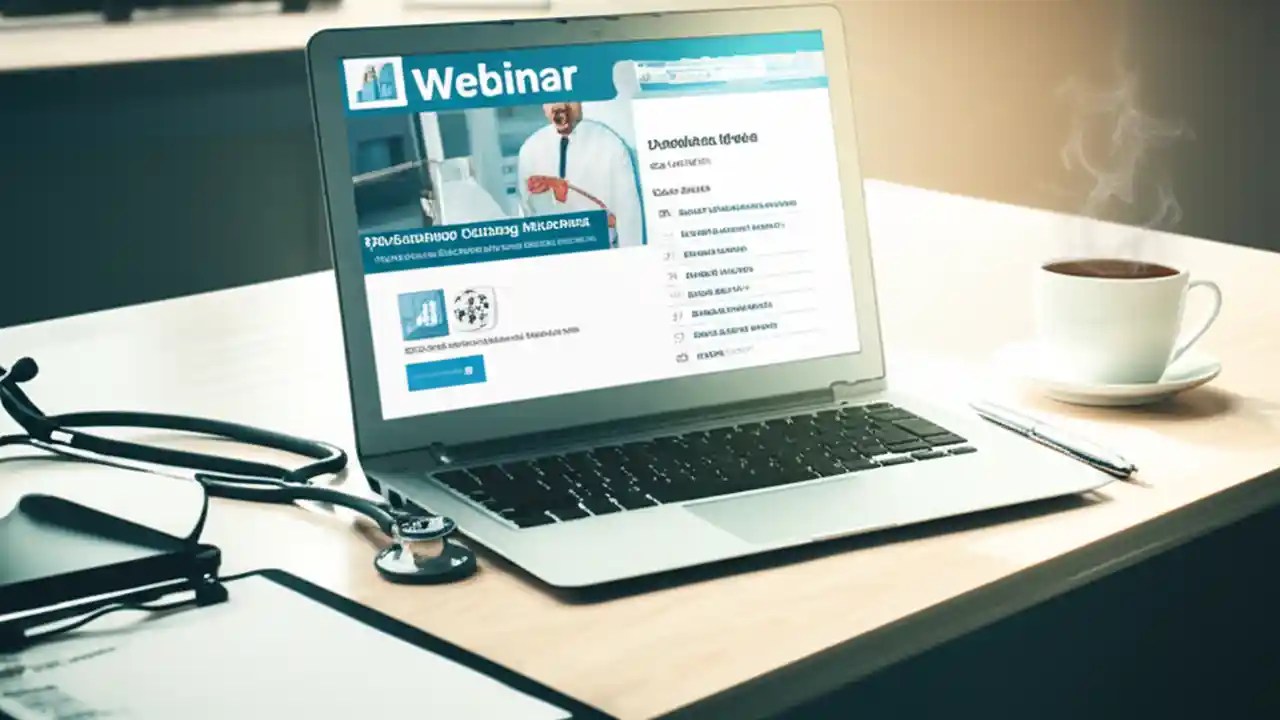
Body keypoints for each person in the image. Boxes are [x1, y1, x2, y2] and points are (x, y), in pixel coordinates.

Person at [517, 102, 644, 248]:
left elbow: (628, 212)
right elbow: (526, 213)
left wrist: (632, 257)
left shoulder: (609, 144)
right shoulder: (530, 149)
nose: (560, 107)